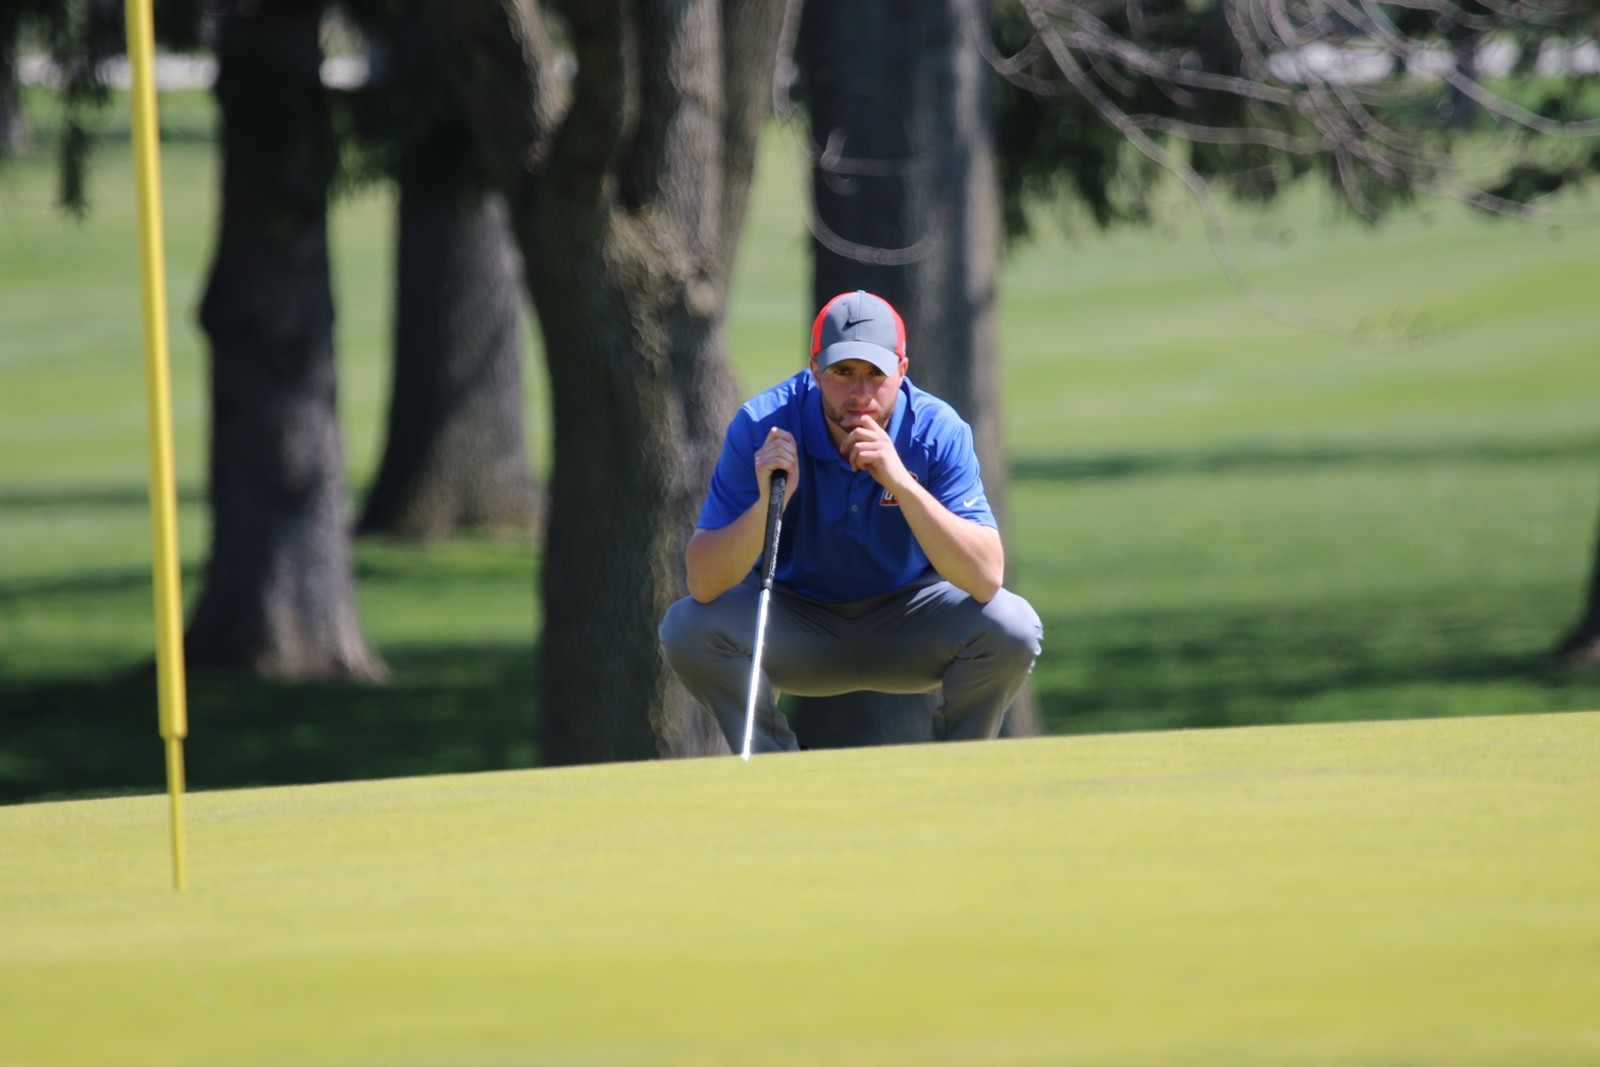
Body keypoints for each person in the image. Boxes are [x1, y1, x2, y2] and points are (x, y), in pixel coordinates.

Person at [659, 290, 1043, 754]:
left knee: (1013, 626)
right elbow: (702, 583)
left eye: (875, 374)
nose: (860, 393)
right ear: (815, 368)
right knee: (686, 627)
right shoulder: (765, 426)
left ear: (902, 370)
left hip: (911, 619)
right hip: (796, 622)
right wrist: (766, 504)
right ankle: (774, 774)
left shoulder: (938, 430)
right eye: (843, 373)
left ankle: (955, 772)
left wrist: (901, 483)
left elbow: (986, 577)